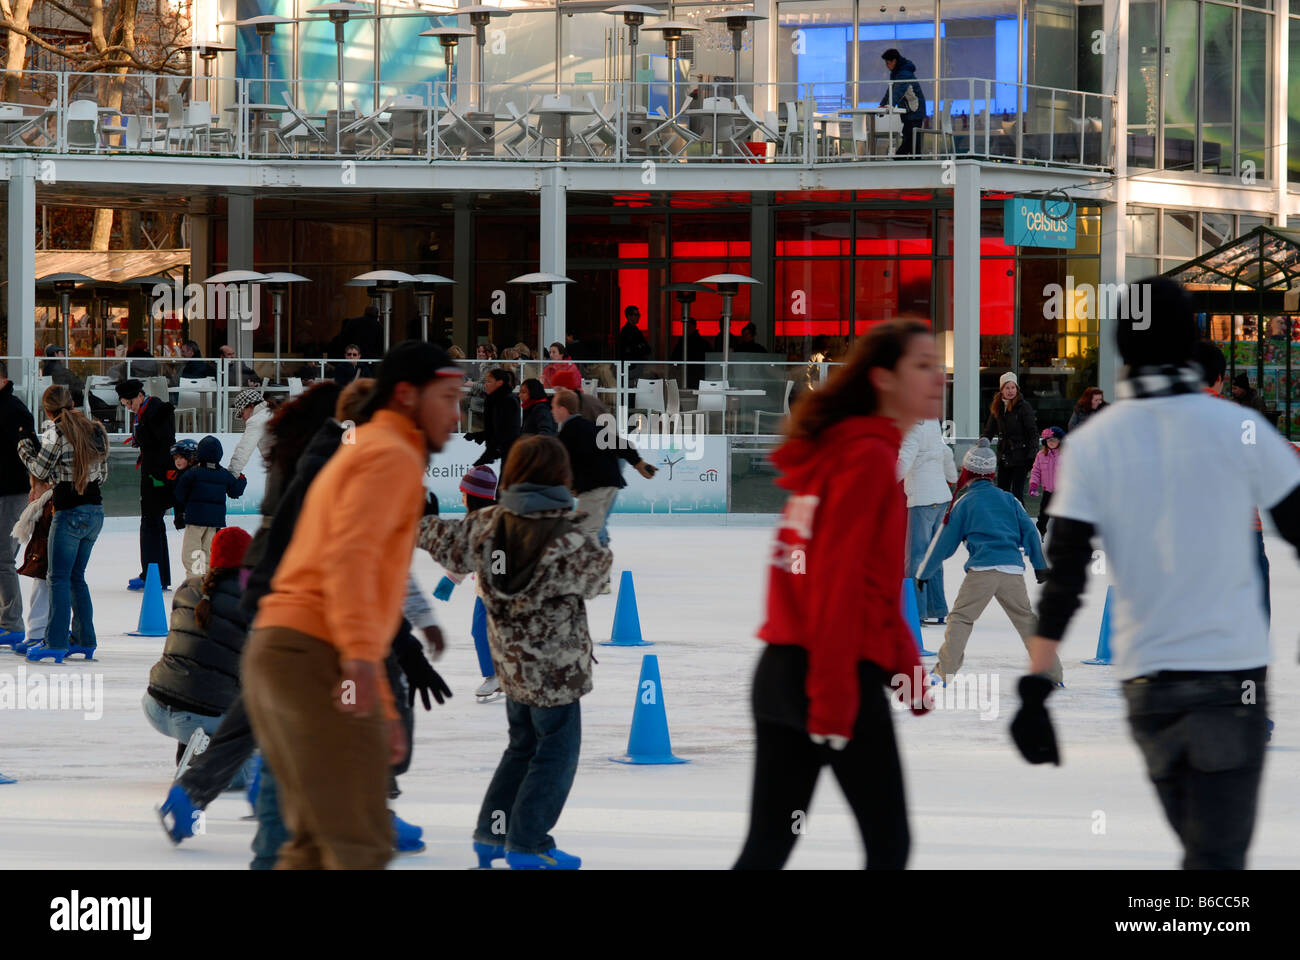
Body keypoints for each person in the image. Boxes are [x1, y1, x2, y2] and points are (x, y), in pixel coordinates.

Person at [1018, 277, 1300, 870]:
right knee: (1216, 864)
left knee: (1204, 855)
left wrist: (1037, 685)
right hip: (1231, 678)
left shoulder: (1095, 442)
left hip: (1149, 687)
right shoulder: (1240, 428)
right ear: (1191, 339)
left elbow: (1064, 575)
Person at [242, 342, 463, 870]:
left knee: (318, 848)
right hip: (315, 653)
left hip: (291, 649)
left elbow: (366, 575)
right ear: (407, 395)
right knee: (358, 843)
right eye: (448, 398)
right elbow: (352, 560)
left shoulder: (372, 448)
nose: (457, 416)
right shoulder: (389, 455)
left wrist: (380, 703)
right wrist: (362, 667)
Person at [733, 319, 939, 870]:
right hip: (831, 675)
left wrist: (905, 666)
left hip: (786, 672)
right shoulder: (866, 458)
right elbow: (834, 585)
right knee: (888, 844)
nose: (938, 376)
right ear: (883, 379)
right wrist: (831, 700)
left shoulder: (844, 452)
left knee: (769, 847)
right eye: (922, 365)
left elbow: (871, 586)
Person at [419, 434, 612, 870]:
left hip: (510, 666)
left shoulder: (486, 523)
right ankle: (528, 842)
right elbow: (597, 579)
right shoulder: (568, 533)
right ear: (562, 477)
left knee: (521, 746)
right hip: (557, 673)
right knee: (555, 753)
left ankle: (494, 833)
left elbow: (439, 537)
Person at [916, 438, 1061, 686]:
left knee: (961, 618)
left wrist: (924, 572)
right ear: (992, 473)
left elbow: (944, 543)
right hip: (1012, 570)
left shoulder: (964, 502)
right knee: (1026, 620)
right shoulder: (1010, 500)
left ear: (968, 471)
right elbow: (1031, 534)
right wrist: (1040, 566)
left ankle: (944, 673)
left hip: (982, 571)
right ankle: (1052, 675)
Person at [142, 525, 258, 791]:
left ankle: (194, 748)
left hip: (156, 704)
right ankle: (208, 756)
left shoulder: (188, 589)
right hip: (201, 715)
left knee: (202, 671)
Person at [15, 384, 109, 663]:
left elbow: (40, 470)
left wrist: (24, 450)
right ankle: (84, 639)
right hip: (95, 511)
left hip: (69, 511)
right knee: (76, 577)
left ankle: (55, 642)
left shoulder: (57, 433)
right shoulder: (95, 430)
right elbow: (102, 476)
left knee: (57, 577)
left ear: (48, 409)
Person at [551, 386, 656, 560]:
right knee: (592, 529)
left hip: (594, 486)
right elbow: (622, 444)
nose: (552, 411)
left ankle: (597, 573)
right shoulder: (590, 426)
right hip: (610, 484)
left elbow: (563, 465)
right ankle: (599, 572)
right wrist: (638, 463)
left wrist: (572, 485)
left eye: (553, 406)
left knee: (585, 531)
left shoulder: (568, 433)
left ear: (563, 409)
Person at [116, 378, 175, 591]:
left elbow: (164, 441)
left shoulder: (157, 410)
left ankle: (152, 575)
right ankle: (158, 575)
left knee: (150, 525)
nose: (129, 408)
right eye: (125, 405)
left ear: (140, 396)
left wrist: (141, 437)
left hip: (157, 476)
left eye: (130, 403)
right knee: (154, 525)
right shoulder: (147, 412)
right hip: (153, 473)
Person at [897, 418, 957, 624]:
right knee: (934, 555)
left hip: (922, 500)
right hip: (940, 498)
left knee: (916, 556)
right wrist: (952, 476)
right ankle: (937, 609)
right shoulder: (931, 422)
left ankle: (917, 611)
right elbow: (946, 452)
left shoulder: (913, 427)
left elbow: (905, 459)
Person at [173, 436, 248, 577]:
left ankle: (195, 583)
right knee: (208, 552)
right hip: (214, 522)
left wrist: (187, 506)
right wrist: (242, 479)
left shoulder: (193, 473)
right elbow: (235, 491)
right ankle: (207, 581)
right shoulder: (224, 474)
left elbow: (180, 493)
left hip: (195, 519)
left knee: (192, 552)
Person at [0, 360, 35, 650]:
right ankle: (7, 619)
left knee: (3, 557)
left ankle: (11, 623)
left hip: (11, 492)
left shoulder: (13, 409)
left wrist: (34, 485)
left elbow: (29, 449)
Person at [10, 473, 53, 655]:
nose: (30, 496)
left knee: (45, 586)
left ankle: (38, 632)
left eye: (34, 489)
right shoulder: (42, 507)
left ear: (47, 486)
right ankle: (44, 631)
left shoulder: (46, 509)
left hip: (43, 565)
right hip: (43, 564)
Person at [981, 371, 1037, 504]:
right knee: (1002, 493)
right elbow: (989, 431)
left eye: (1013, 387)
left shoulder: (1023, 407)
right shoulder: (998, 407)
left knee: (1017, 494)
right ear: (1001, 390)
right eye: (1007, 388)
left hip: (1021, 457)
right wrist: (981, 445)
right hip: (1004, 456)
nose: (1010, 391)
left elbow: (1033, 432)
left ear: (1017, 389)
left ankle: (1019, 522)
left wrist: (1031, 456)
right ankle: (1004, 522)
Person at [465, 368, 521, 468]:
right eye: (486, 381)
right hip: (505, 450)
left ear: (499, 383)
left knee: (507, 481)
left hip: (512, 452)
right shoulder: (493, 399)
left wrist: (487, 456)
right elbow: (495, 428)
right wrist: (479, 435)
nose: (486, 384)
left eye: (489, 381)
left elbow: (504, 431)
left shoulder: (507, 401)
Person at [880, 48, 926, 158]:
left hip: (915, 110)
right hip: (909, 112)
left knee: (911, 141)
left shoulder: (904, 73)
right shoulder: (896, 73)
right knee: (910, 139)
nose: (886, 66)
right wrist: (883, 104)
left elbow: (898, 91)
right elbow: (890, 90)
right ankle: (912, 163)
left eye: (887, 63)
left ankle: (898, 160)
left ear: (894, 61)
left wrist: (890, 105)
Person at [228, 388, 274, 479]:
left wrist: (231, 476)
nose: (243, 419)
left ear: (251, 406)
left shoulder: (256, 420)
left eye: (242, 413)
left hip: (282, 468)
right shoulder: (274, 412)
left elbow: (243, 450)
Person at [1027, 427, 1064, 537]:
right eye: (1048, 440)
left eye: (1054, 439)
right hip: (1048, 491)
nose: (1051, 442)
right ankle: (1039, 534)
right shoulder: (1041, 455)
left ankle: (1062, 537)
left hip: (1062, 492)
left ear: (1060, 441)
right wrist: (1033, 485)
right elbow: (1036, 472)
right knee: (1043, 514)